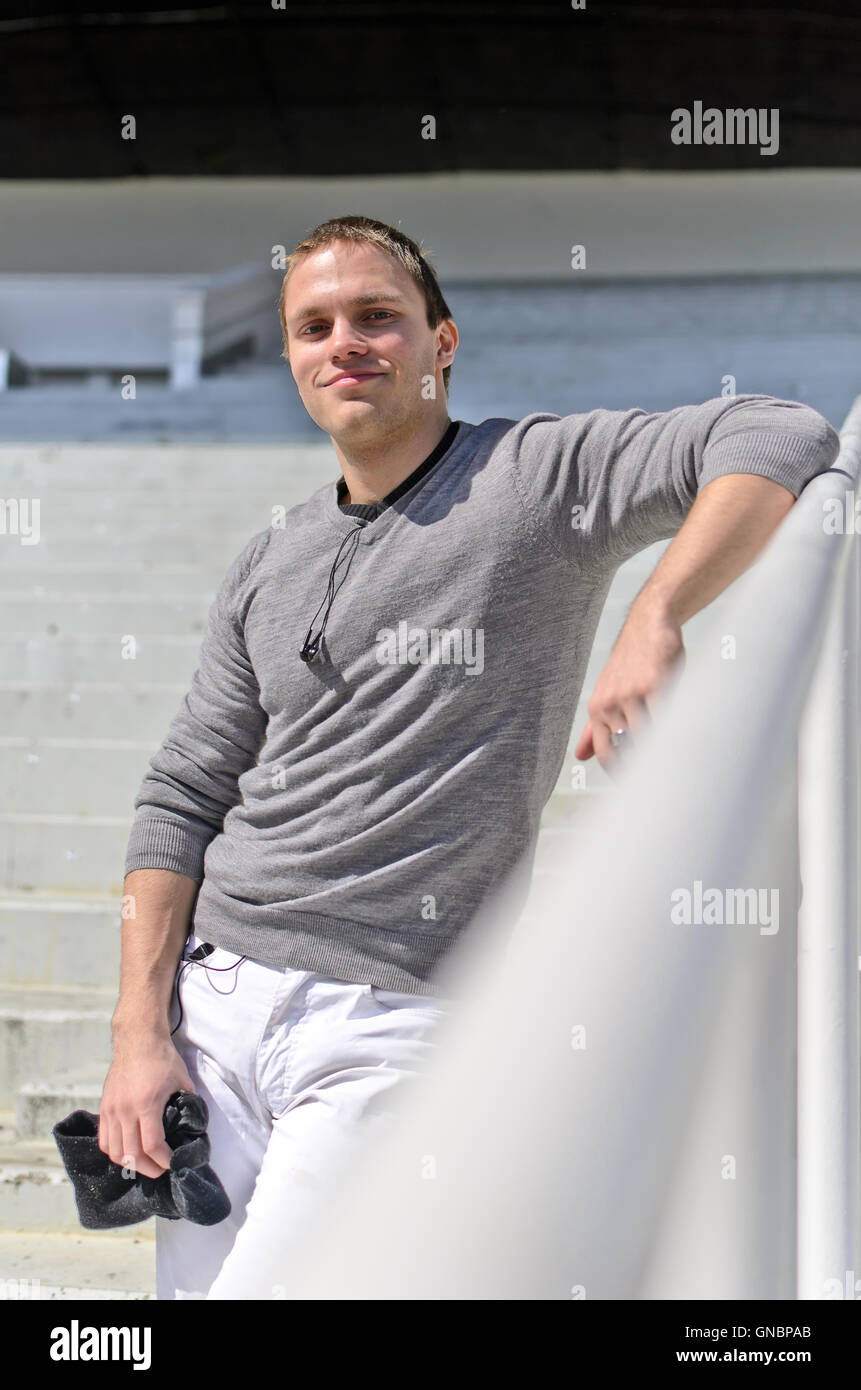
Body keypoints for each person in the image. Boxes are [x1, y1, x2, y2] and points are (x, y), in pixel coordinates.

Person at [98, 214, 841, 1299]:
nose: (344, 341)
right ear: (294, 360)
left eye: (376, 317)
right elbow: (183, 789)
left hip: (390, 1016)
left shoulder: (533, 477)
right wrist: (138, 1033)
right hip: (211, 1014)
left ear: (442, 342)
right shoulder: (270, 556)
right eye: (315, 326)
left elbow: (780, 431)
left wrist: (658, 608)